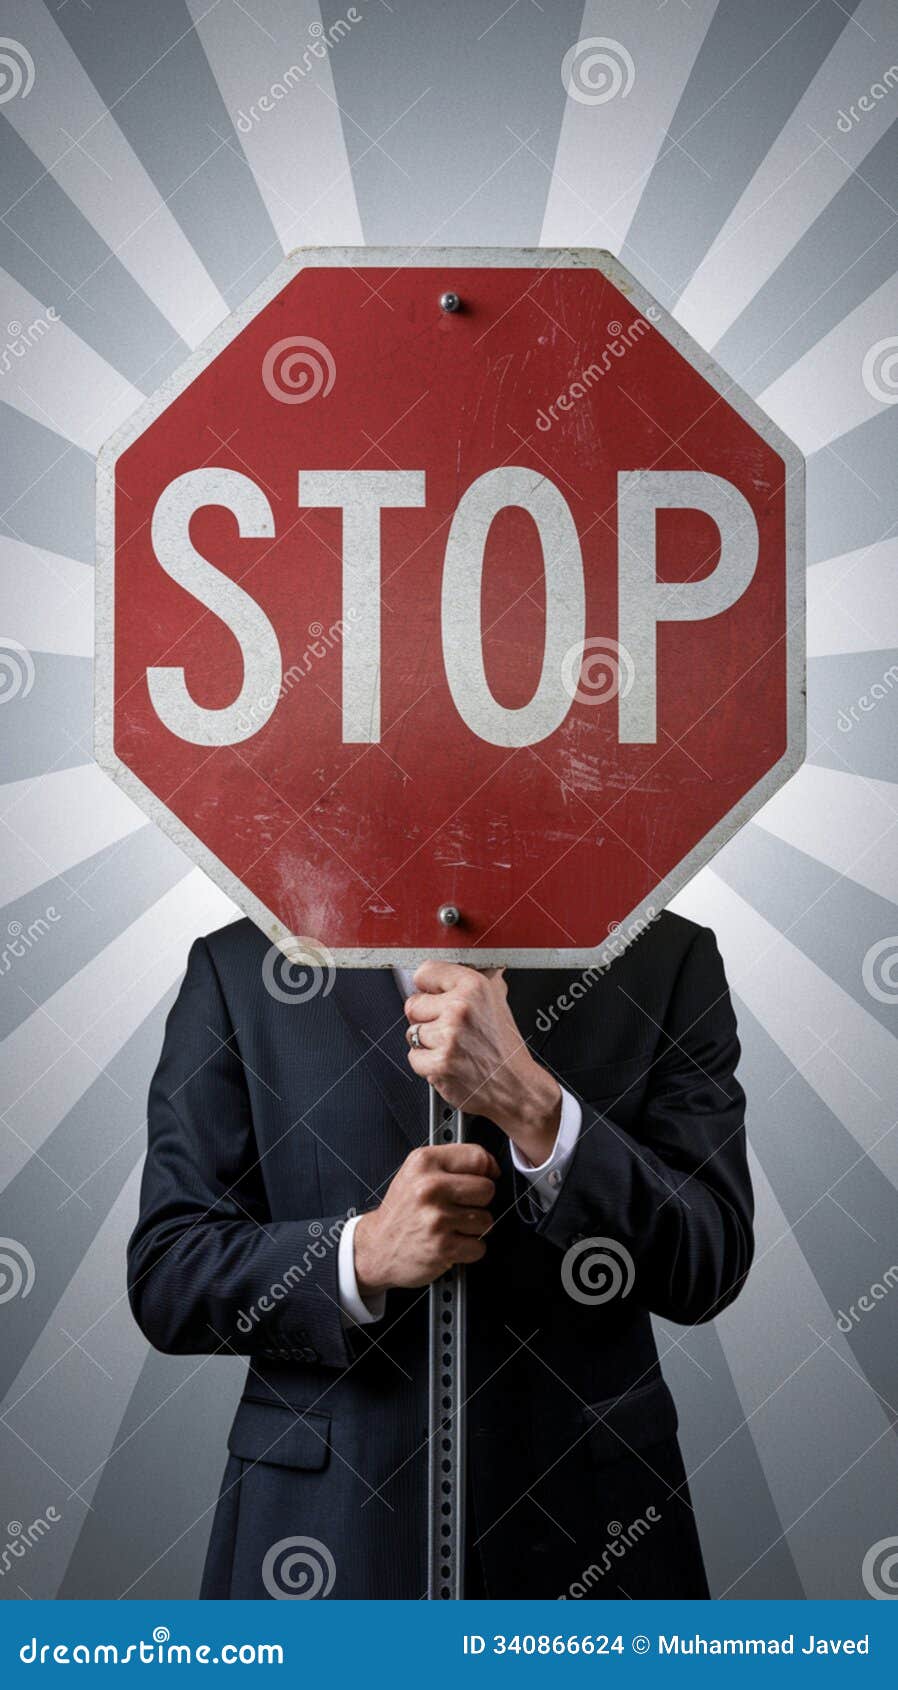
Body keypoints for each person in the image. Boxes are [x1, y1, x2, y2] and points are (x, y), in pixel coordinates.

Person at [127, 910, 752, 1599]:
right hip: (326, 1532)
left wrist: (542, 1113)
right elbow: (169, 1271)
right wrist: (357, 1255)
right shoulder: (243, 963)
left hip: (592, 1528)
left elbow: (710, 1258)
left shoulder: (663, 954)